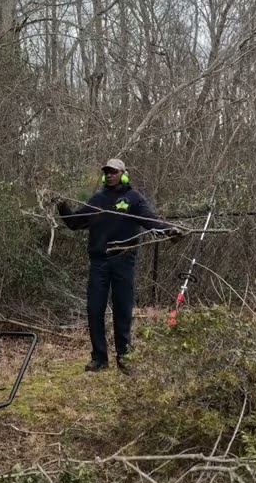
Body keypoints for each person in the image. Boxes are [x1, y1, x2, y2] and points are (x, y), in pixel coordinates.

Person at [56, 158, 180, 373]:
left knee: (123, 310)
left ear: (123, 174)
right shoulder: (97, 200)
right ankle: (99, 358)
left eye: (114, 172)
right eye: (107, 172)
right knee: (94, 310)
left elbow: (151, 221)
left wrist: (170, 230)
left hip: (124, 260)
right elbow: (74, 223)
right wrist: (61, 205)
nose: (110, 175)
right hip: (99, 262)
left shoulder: (133, 199)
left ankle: (125, 357)